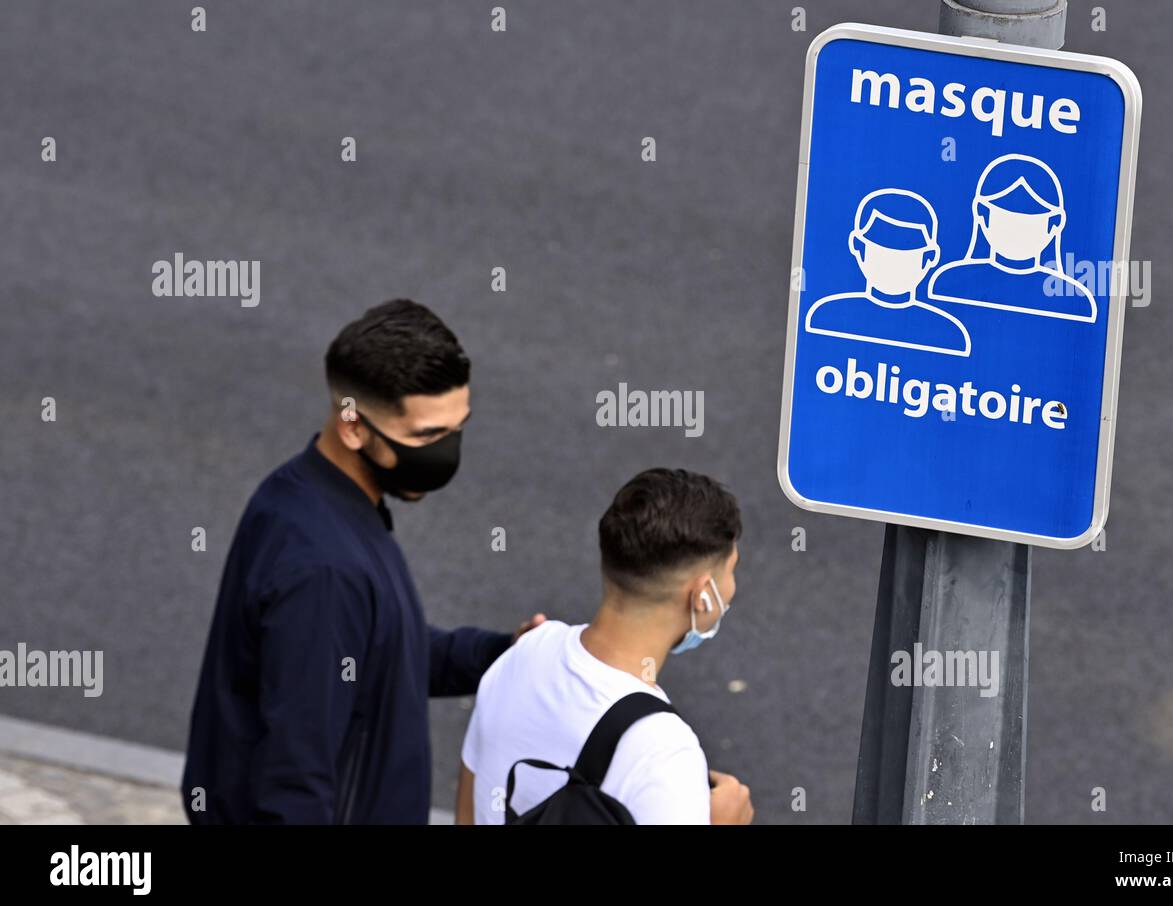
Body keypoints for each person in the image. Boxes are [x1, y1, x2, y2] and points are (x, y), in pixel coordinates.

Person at [181, 299, 543, 824]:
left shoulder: (309, 497)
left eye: (457, 429)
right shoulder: (323, 570)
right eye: (426, 438)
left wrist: (503, 656)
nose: (447, 455)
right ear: (353, 425)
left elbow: (378, 652)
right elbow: (295, 783)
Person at [456, 468, 753, 825]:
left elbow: (468, 812)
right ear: (703, 594)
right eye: (731, 571)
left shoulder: (525, 651)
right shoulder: (664, 753)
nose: (733, 587)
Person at [927, 153, 1097, 322]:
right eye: (1004, 214)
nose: (1017, 225)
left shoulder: (1073, 301)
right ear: (982, 213)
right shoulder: (950, 282)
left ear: (1055, 223)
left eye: (1032, 216)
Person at [804, 188, 971, 357]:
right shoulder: (828, 317)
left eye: (907, 251)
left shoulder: (947, 335)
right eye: (882, 249)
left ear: (930, 256)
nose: (894, 259)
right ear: (857, 245)